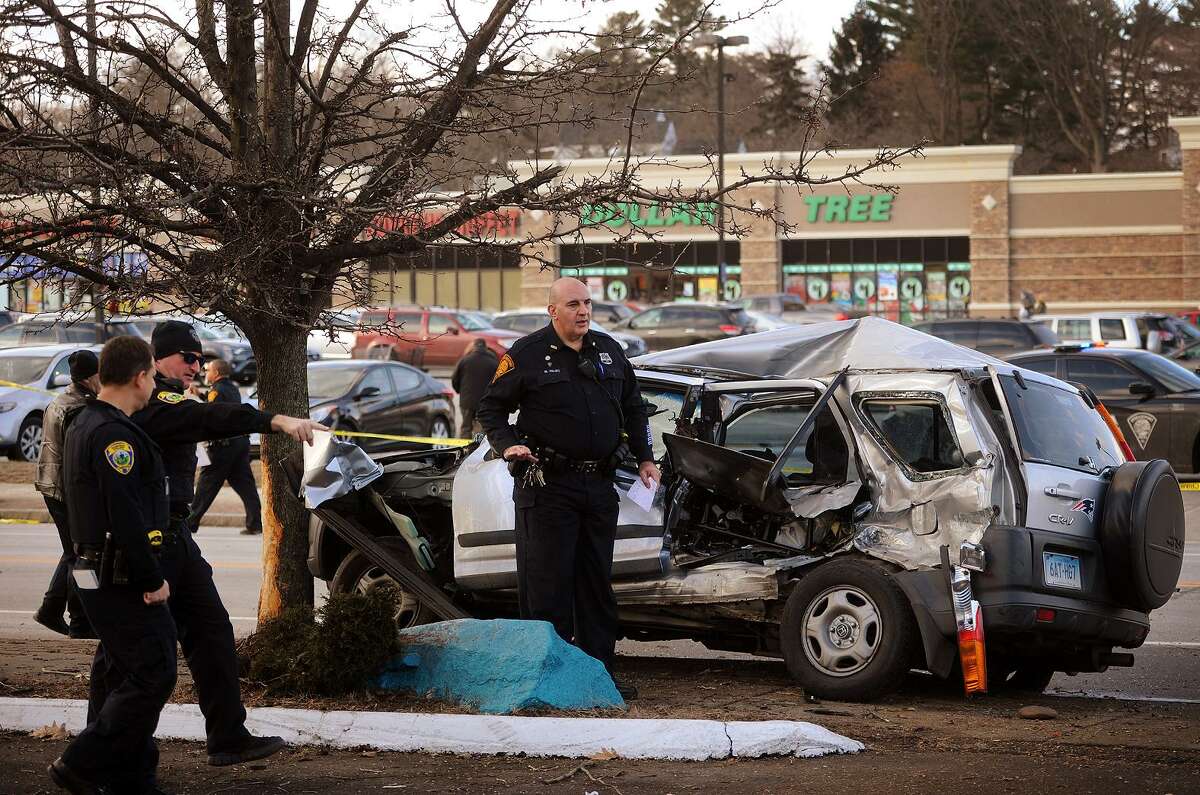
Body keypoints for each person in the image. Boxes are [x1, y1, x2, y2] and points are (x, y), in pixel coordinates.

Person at [126, 320, 323, 767]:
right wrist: (274, 420)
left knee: (212, 632)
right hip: (155, 539)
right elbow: (206, 417)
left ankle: (228, 736)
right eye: (187, 358)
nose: (195, 366)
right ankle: (99, 753)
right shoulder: (157, 400)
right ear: (158, 359)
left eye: (199, 358)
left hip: (176, 537)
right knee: (132, 652)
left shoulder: (169, 397)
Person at [475, 278, 660, 701]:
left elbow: (634, 406)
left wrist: (646, 458)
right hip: (549, 486)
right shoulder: (527, 354)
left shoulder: (609, 350)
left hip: (598, 485)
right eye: (573, 304)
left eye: (588, 303)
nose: (583, 311)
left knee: (596, 586)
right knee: (548, 588)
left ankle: (598, 680)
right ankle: (547, 683)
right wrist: (507, 446)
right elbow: (491, 408)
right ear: (552, 311)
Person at [49, 336, 174, 794]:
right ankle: (82, 762)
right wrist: (152, 578)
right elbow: (124, 513)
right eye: (153, 378)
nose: (155, 386)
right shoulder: (112, 434)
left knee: (127, 672)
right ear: (140, 375)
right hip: (119, 575)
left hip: (96, 569)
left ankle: (132, 778)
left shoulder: (86, 422)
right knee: (154, 670)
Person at [33, 349, 100, 639]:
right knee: (80, 554)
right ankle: (79, 620)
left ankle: (56, 611)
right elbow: (79, 457)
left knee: (73, 552)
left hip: (52, 484)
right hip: (67, 489)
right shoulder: (79, 407)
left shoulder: (61, 400)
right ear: (90, 377)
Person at [186, 359, 262, 535]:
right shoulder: (231, 388)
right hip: (240, 444)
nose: (206, 373)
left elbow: (213, 414)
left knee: (206, 485)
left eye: (208, 370)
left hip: (223, 447)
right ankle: (255, 524)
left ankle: (189, 524)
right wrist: (201, 395)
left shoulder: (216, 390)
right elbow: (222, 407)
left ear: (217, 373)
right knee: (246, 486)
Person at [450, 338, 498, 437]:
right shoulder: (493, 362)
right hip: (485, 402)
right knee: (481, 430)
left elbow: (455, 379)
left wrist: (460, 391)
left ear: (474, 347)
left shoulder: (464, 360)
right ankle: (478, 450)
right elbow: (498, 382)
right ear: (486, 347)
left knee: (466, 428)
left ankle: (464, 450)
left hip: (466, 401)